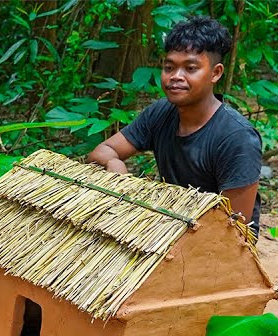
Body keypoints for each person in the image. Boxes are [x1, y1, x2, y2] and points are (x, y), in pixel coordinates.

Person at [88, 16, 263, 233]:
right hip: (169, 225)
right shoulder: (161, 112)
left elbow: (236, 230)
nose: (175, 77)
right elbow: (102, 152)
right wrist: (116, 165)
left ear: (215, 73)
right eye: (169, 67)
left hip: (217, 244)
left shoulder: (237, 137)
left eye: (190, 68)